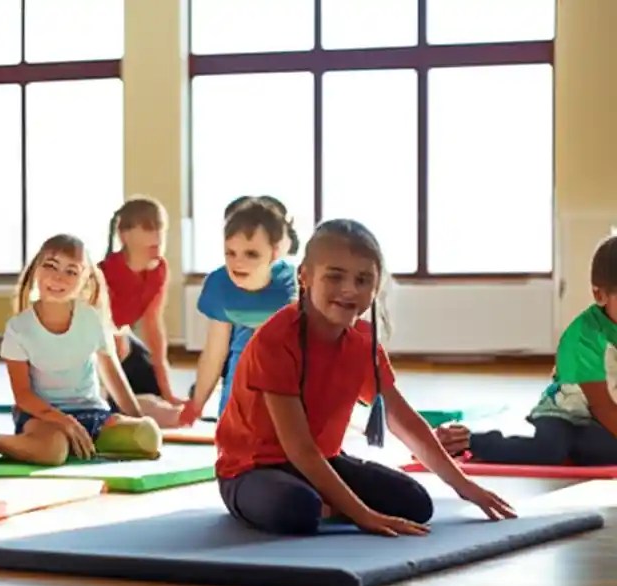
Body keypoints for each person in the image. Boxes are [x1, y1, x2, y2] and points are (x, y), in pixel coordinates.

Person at [212, 218, 516, 536]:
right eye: (335, 276)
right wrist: (363, 515)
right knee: (296, 509)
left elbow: (403, 420)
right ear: (305, 276)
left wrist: (465, 486)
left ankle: (326, 500)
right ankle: (319, 502)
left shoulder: (363, 343)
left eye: (363, 280)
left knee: (415, 504)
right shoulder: (276, 340)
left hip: (323, 460)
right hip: (252, 469)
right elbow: (298, 447)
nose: (349, 290)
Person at [0, 234, 162, 467]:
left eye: (71, 271)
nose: (58, 277)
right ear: (36, 269)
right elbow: (23, 396)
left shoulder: (91, 319)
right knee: (53, 450)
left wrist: (137, 419)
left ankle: (78, 444)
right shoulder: (19, 328)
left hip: (92, 414)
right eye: (51, 266)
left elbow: (112, 375)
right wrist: (64, 422)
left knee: (148, 434)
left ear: (84, 279)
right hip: (43, 417)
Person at [436, 235, 617, 466]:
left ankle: (577, 447)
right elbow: (603, 406)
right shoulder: (584, 338)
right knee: (549, 450)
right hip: (562, 414)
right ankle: (471, 441)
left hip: (595, 420)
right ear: (600, 295)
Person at [181, 198, 298, 425]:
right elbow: (215, 350)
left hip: (285, 380)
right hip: (240, 380)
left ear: (275, 253)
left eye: (251, 254)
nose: (238, 263)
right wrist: (196, 404)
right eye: (230, 253)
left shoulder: (292, 283)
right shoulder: (221, 285)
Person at [96, 197, 186, 427]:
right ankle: (105, 406)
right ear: (124, 234)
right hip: (93, 349)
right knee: (117, 342)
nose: (157, 236)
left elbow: (153, 327)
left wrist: (168, 393)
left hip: (123, 343)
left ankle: (134, 402)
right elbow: (93, 332)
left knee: (154, 389)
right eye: (148, 228)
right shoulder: (104, 273)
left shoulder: (159, 270)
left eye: (160, 228)